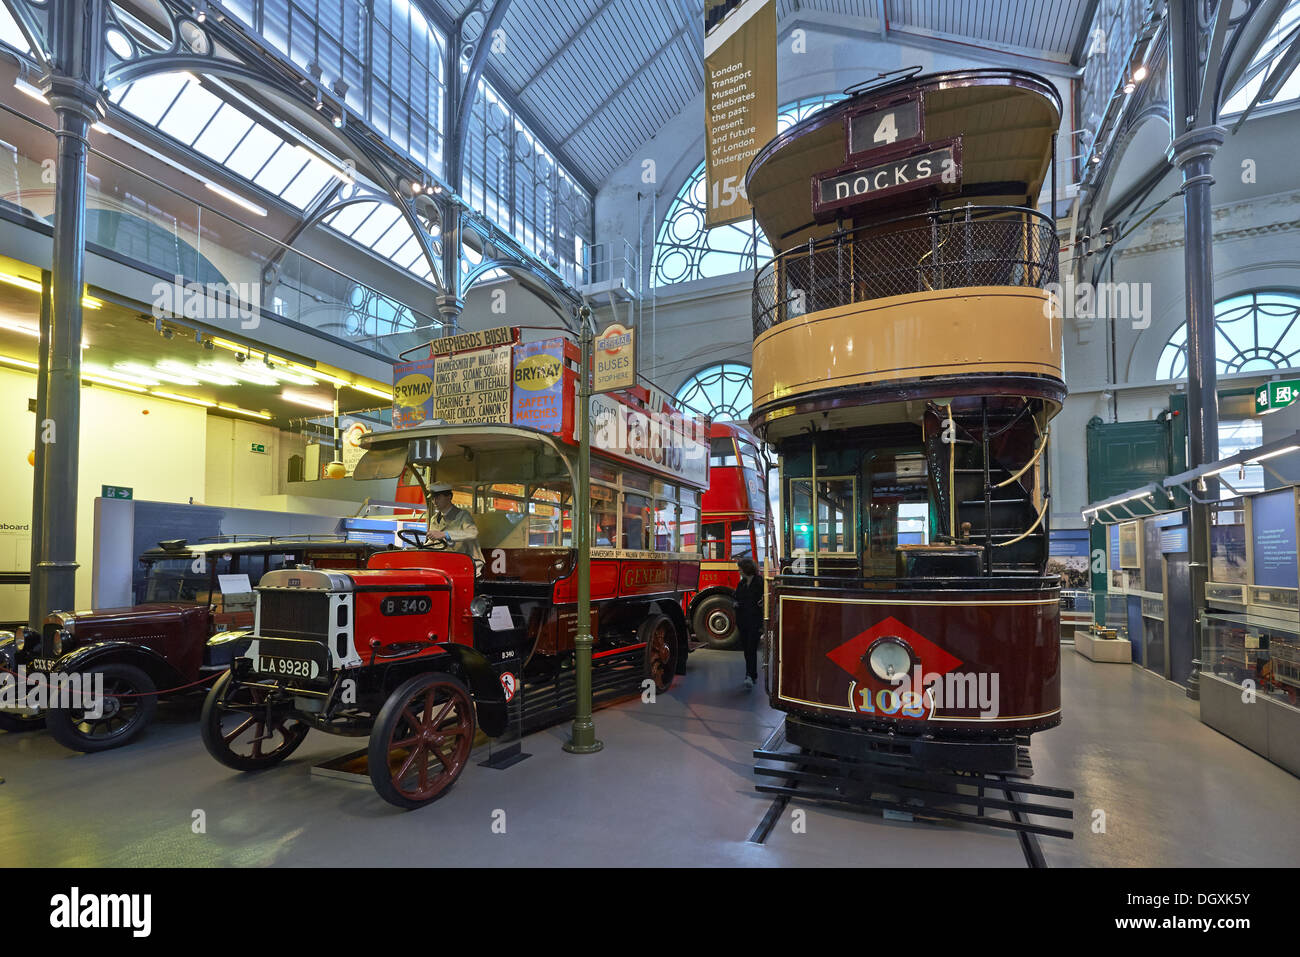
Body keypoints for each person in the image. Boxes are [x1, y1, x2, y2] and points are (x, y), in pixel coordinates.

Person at [425, 483, 484, 571]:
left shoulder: (463, 515)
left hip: (466, 565)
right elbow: (433, 542)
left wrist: (445, 534)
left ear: (449, 497)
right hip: (444, 564)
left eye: (438, 497)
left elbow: (473, 533)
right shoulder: (434, 519)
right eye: (433, 498)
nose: (434, 501)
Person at [734, 556, 764, 690]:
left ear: (746, 569)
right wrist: (735, 603)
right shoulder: (742, 583)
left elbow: (764, 600)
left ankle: (750, 676)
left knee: (751, 648)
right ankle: (752, 675)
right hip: (743, 621)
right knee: (747, 650)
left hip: (754, 621)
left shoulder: (759, 582)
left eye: (740, 569)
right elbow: (736, 597)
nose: (739, 572)